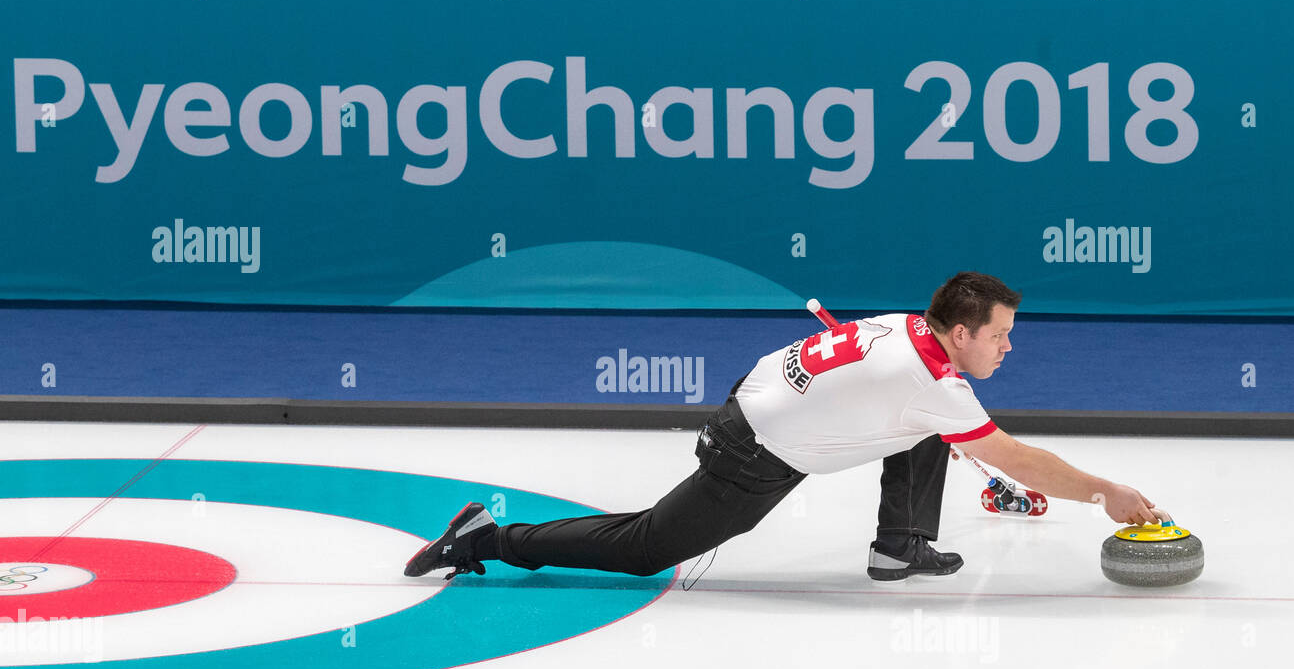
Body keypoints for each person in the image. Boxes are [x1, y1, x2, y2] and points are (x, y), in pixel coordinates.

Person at [405, 272, 1158, 582]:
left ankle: (899, 547)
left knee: (930, 425)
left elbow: (941, 420)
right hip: (756, 451)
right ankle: (487, 539)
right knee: (645, 549)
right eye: (1000, 334)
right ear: (960, 332)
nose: (1008, 345)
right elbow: (1017, 460)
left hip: (764, 398)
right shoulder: (931, 380)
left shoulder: (911, 332)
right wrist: (1107, 494)